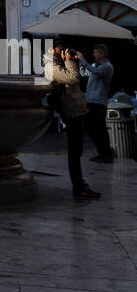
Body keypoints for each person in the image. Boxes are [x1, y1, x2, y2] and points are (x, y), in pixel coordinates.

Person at [43, 39, 100, 200]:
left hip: (76, 109)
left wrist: (77, 61)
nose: (64, 53)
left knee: (77, 151)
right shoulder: (51, 66)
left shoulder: (59, 64)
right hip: (71, 112)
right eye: (61, 50)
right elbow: (73, 78)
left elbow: (81, 75)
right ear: (52, 50)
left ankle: (80, 184)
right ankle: (79, 186)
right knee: (75, 152)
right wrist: (69, 61)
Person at [80, 43, 115, 163]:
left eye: (95, 53)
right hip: (90, 101)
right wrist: (81, 63)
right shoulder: (95, 65)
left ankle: (107, 155)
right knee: (92, 129)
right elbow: (84, 73)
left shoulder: (107, 67)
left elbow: (95, 71)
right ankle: (101, 153)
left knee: (100, 129)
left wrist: (83, 60)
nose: (93, 55)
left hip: (99, 102)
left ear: (102, 54)